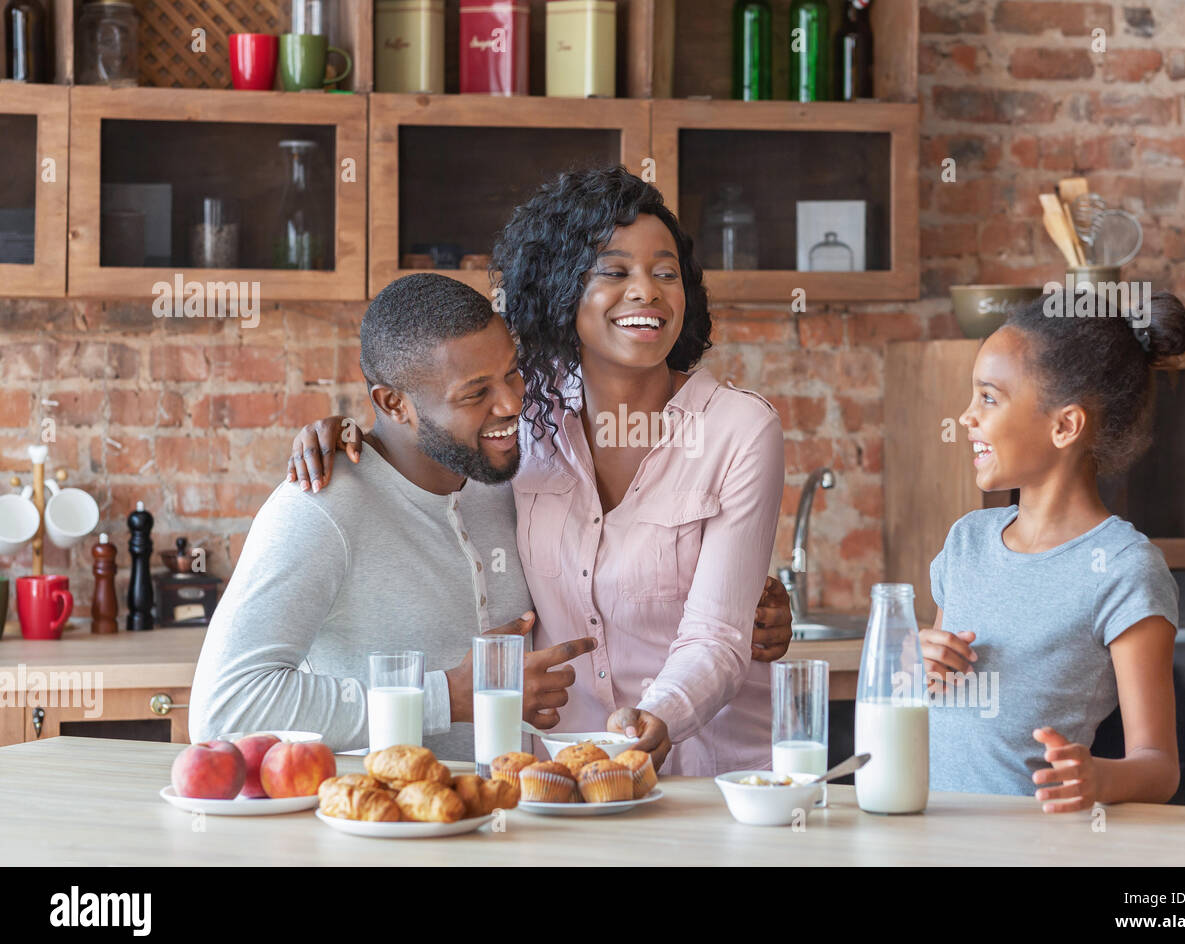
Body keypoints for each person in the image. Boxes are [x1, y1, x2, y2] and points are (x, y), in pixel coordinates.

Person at [288, 166, 790, 775]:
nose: (647, 291)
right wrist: (348, 435)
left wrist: (657, 717)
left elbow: (717, 633)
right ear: (559, 288)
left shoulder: (738, 430)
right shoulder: (523, 419)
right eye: (614, 271)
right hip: (561, 777)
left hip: (711, 778)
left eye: (666, 273)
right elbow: (425, 434)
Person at [190, 275, 597, 758]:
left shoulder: (509, 476)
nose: (512, 403)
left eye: (511, 372)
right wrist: (450, 696)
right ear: (393, 403)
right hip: (380, 822)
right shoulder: (319, 508)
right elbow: (226, 711)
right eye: (475, 393)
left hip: (509, 816)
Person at [922, 290, 1185, 811]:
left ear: (1065, 425)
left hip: (1036, 850)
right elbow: (937, 701)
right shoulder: (967, 540)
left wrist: (1102, 780)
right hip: (930, 838)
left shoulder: (1124, 569)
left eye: (988, 398)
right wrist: (921, 667)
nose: (966, 417)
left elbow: (1158, 765)